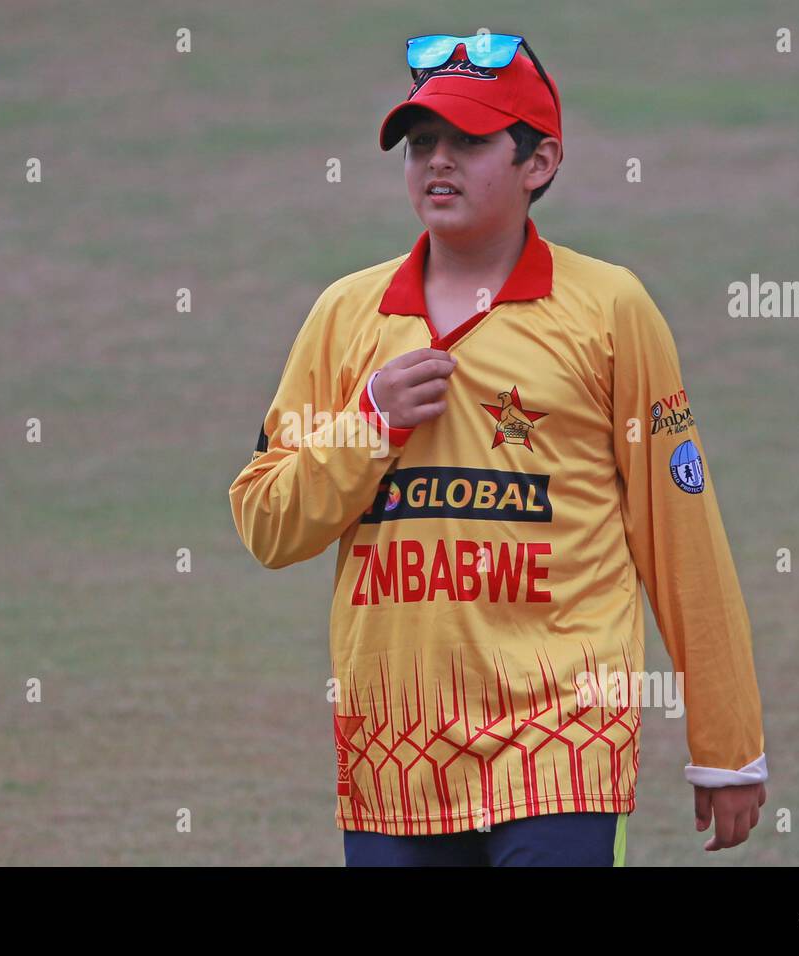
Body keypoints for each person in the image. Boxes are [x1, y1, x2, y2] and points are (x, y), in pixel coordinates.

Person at [228, 33, 767, 866]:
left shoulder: (611, 310)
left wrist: (728, 745)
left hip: (562, 745)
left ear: (539, 161)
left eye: (469, 141)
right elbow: (267, 525)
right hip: (393, 756)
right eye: (420, 145)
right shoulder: (345, 315)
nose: (437, 162)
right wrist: (366, 424)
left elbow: (682, 535)